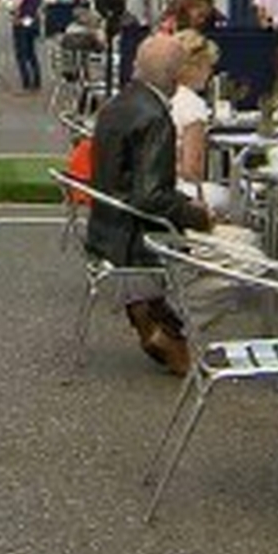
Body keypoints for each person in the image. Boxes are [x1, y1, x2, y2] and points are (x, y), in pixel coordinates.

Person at [87, 34, 215, 375]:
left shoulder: (116, 105)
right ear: (177, 78)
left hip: (106, 229)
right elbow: (152, 197)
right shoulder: (157, 117)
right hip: (139, 239)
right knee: (249, 261)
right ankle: (171, 322)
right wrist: (197, 216)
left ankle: (154, 311)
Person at [170, 29, 226, 208]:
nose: (210, 74)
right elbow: (191, 169)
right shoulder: (193, 105)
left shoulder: (158, 94)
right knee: (233, 196)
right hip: (177, 190)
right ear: (194, 67)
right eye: (209, 66)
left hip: (140, 187)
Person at [8, 0, 43, 92]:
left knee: (21, 54)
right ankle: (37, 80)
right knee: (32, 52)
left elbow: (16, 4)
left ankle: (26, 82)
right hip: (33, 21)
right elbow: (40, 4)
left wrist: (11, 9)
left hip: (21, 21)